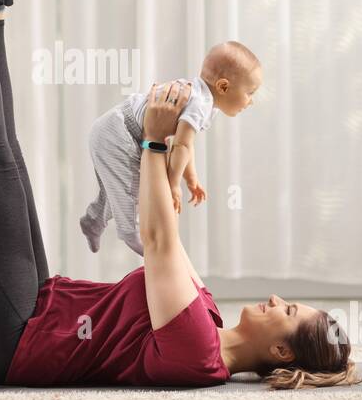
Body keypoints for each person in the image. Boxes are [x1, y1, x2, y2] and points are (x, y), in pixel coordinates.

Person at [0, 0, 361, 390]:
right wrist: (160, 142)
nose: (278, 299)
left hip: (5, 339)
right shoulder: (208, 317)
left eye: (289, 311)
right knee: (9, 158)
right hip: (38, 305)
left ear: (281, 351)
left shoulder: (198, 352)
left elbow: (157, 240)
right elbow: (166, 239)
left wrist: (155, 142)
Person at [79, 41, 263, 255]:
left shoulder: (203, 100)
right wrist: (174, 184)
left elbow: (185, 143)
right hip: (119, 134)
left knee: (116, 190)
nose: (251, 102)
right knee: (129, 193)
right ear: (223, 86)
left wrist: (190, 178)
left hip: (113, 129)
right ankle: (133, 235)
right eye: (250, 93)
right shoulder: (199, 103)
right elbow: (181, 145)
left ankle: (93, 221)